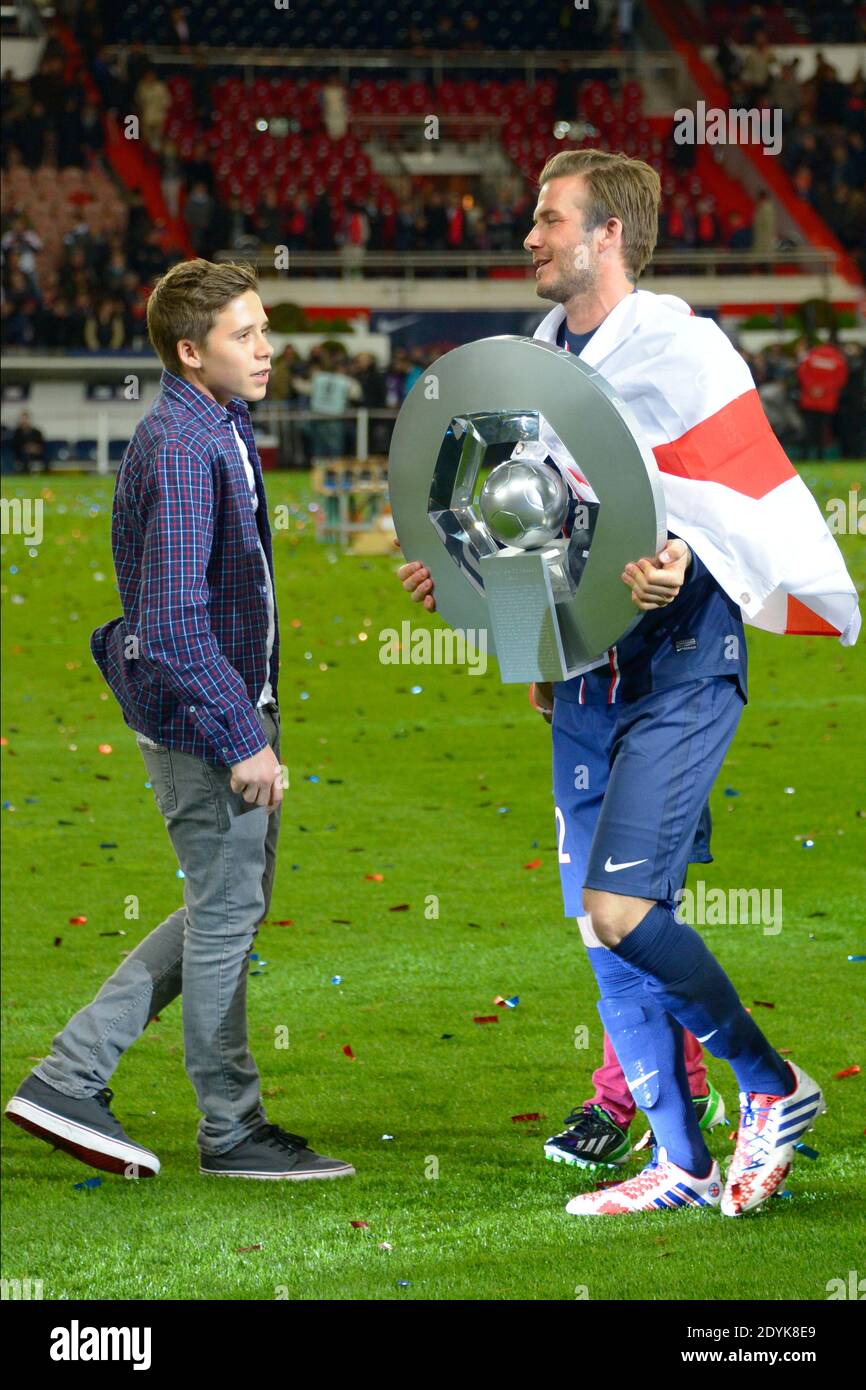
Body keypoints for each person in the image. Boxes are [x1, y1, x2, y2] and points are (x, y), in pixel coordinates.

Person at [397, 149, 860, 1217]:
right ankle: (681, 1161)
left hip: (682, 664)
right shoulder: (538, 356)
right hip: (585, 677)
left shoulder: (681, 349)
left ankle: (769, 1081)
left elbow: (724, 497)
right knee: (591, 922)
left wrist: (680, 559)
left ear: (606, 234)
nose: (529, 236)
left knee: (622, 906)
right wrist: (478, 595)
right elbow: (532, 512)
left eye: (548, 219)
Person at [5, 258, 355, 1185]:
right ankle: (229, 1128)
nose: (267, 348)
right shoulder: (185, 443)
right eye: (246, 334)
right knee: (226, 913)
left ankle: (68, 1074)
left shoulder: (215, 425)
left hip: (218, 709)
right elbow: (170, 623)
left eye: (264, 327)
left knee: (223, 908)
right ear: (192, 351)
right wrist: (244, 735)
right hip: (206, 721)